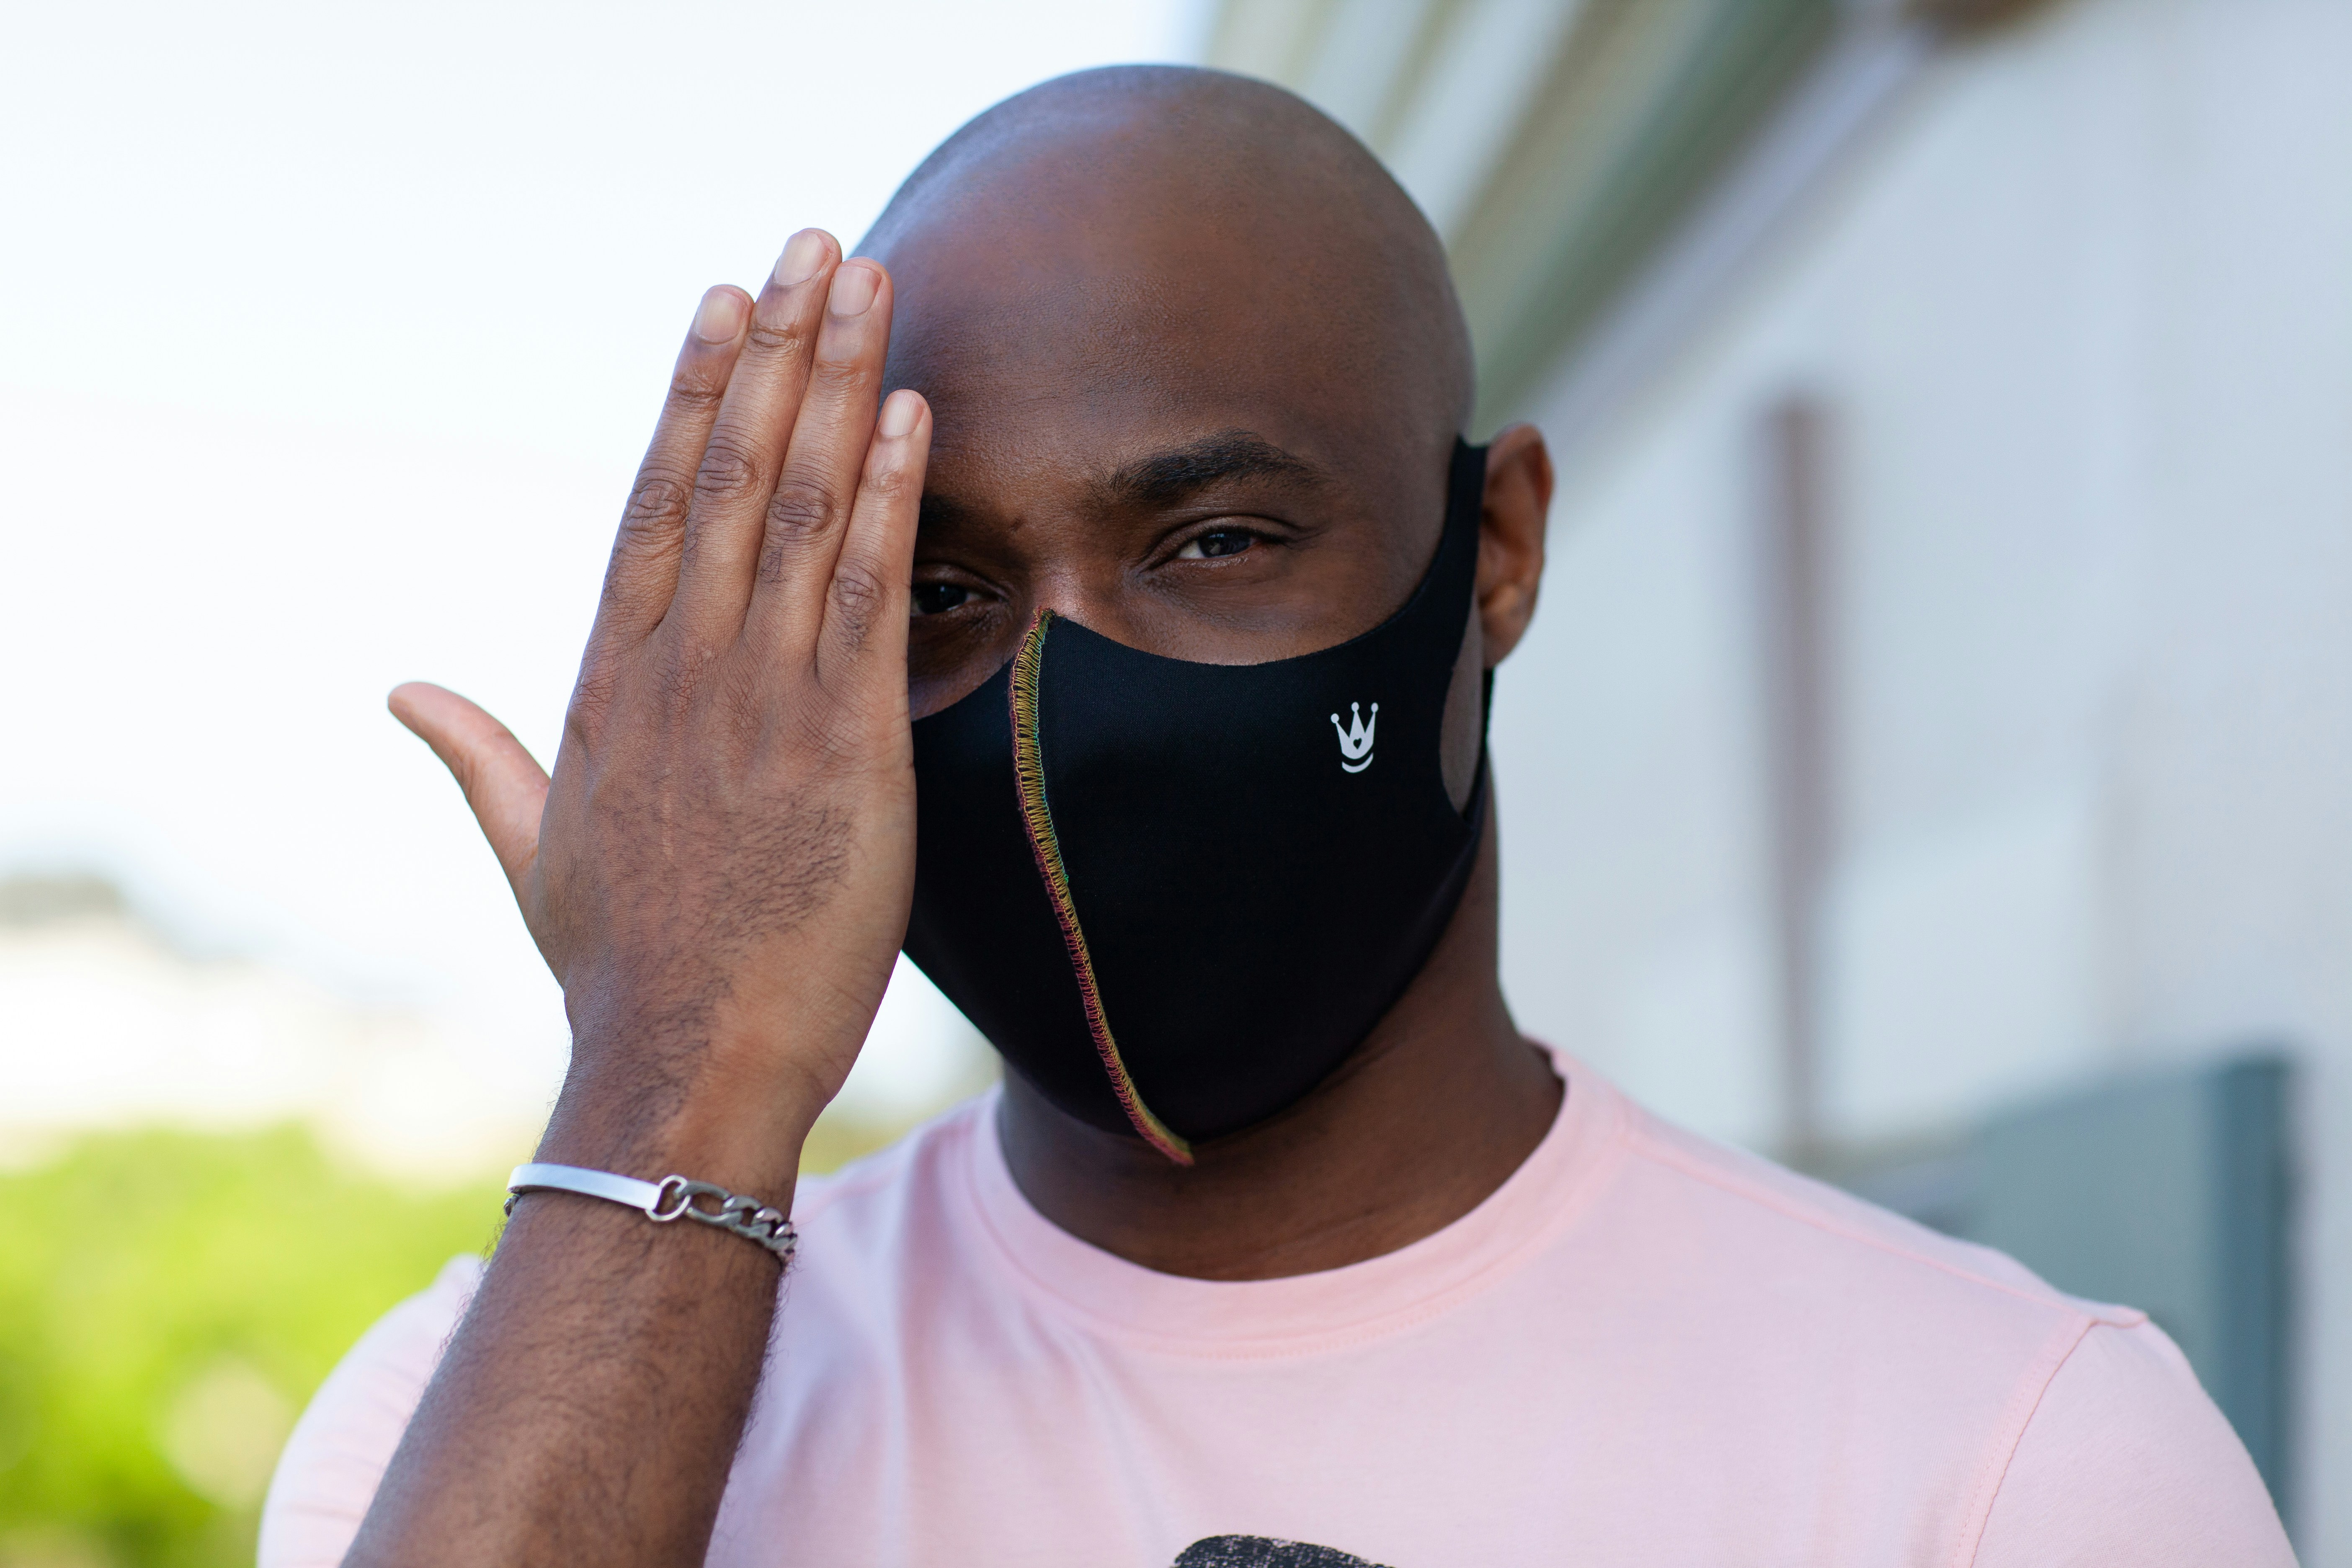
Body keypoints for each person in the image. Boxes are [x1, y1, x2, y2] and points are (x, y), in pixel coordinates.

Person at [258, 67, 2293, 1568]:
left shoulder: (2014, 1462)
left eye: (1214, 541)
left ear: (1496, 551)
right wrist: (675, 1079)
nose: (1064, 699)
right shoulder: (479, 1416)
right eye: (946, 591)